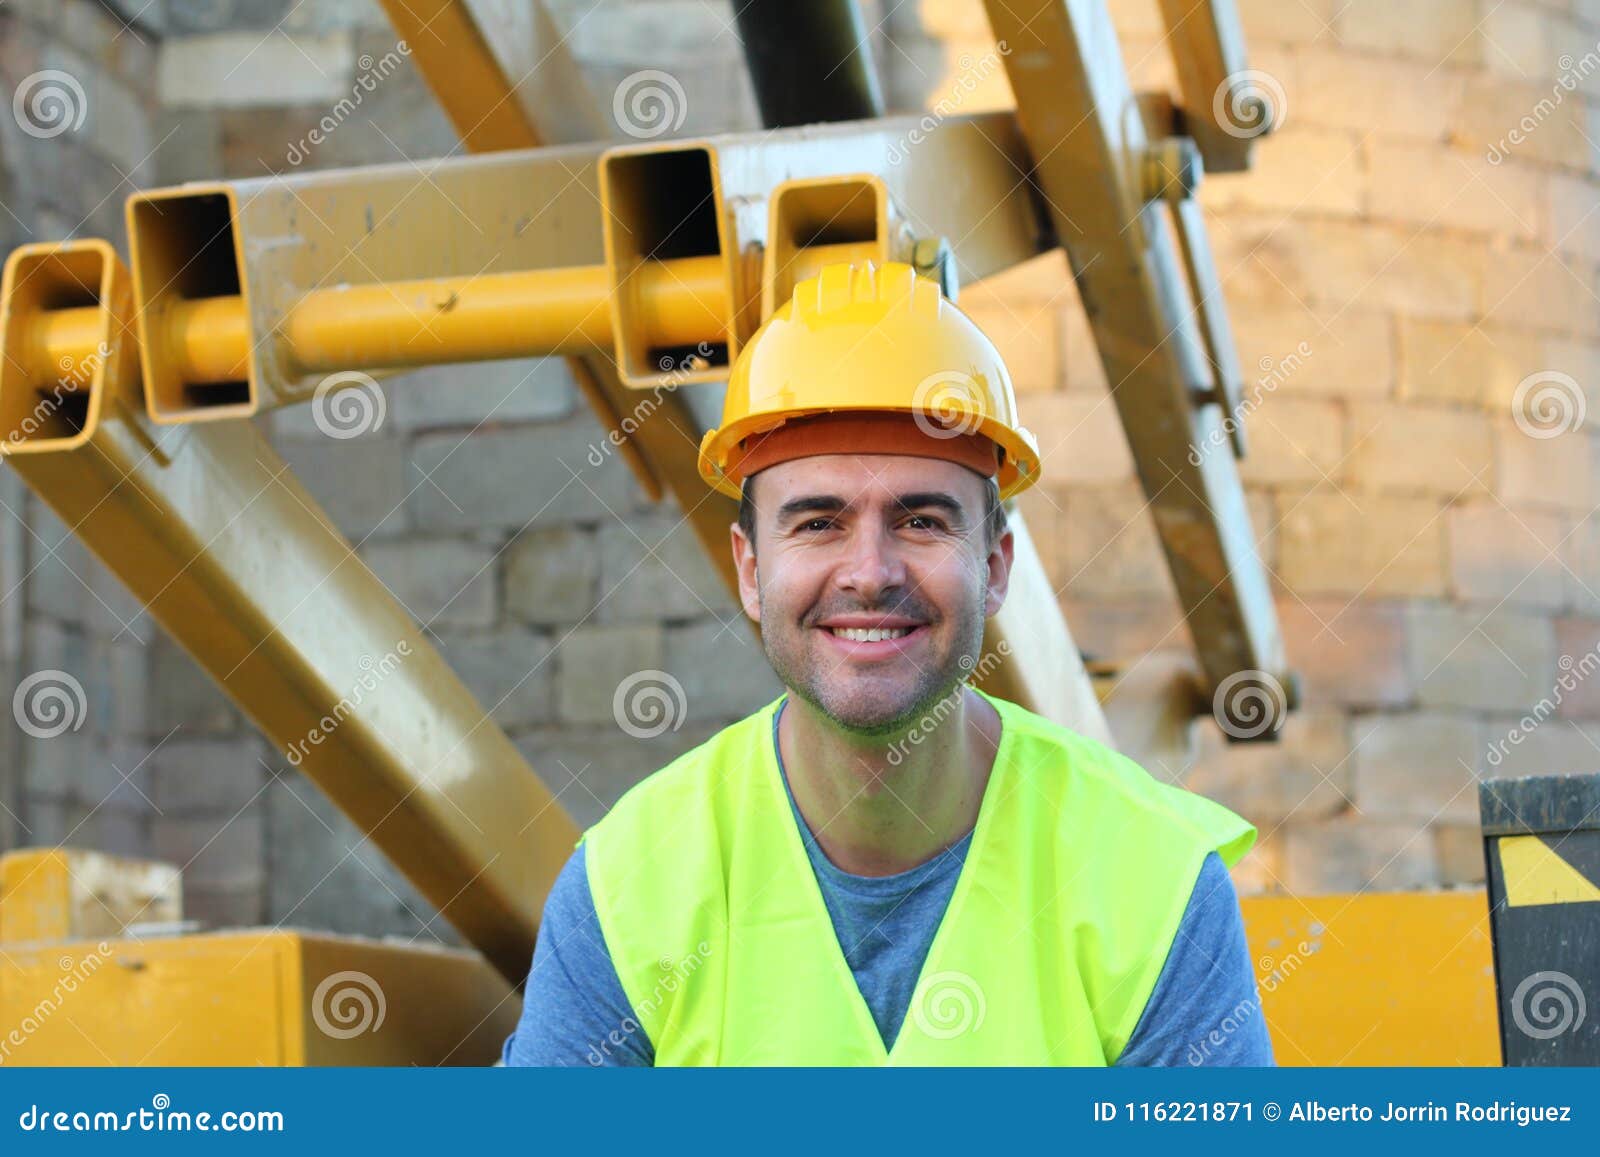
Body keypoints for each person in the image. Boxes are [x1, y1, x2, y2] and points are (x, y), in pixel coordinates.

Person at [502, 262, 1273, 1066]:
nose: (870, 573)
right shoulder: (629, 888)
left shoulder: (1152, 882)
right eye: (818, 523)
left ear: (995, 566)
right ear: (751, 569)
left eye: (921, 520)